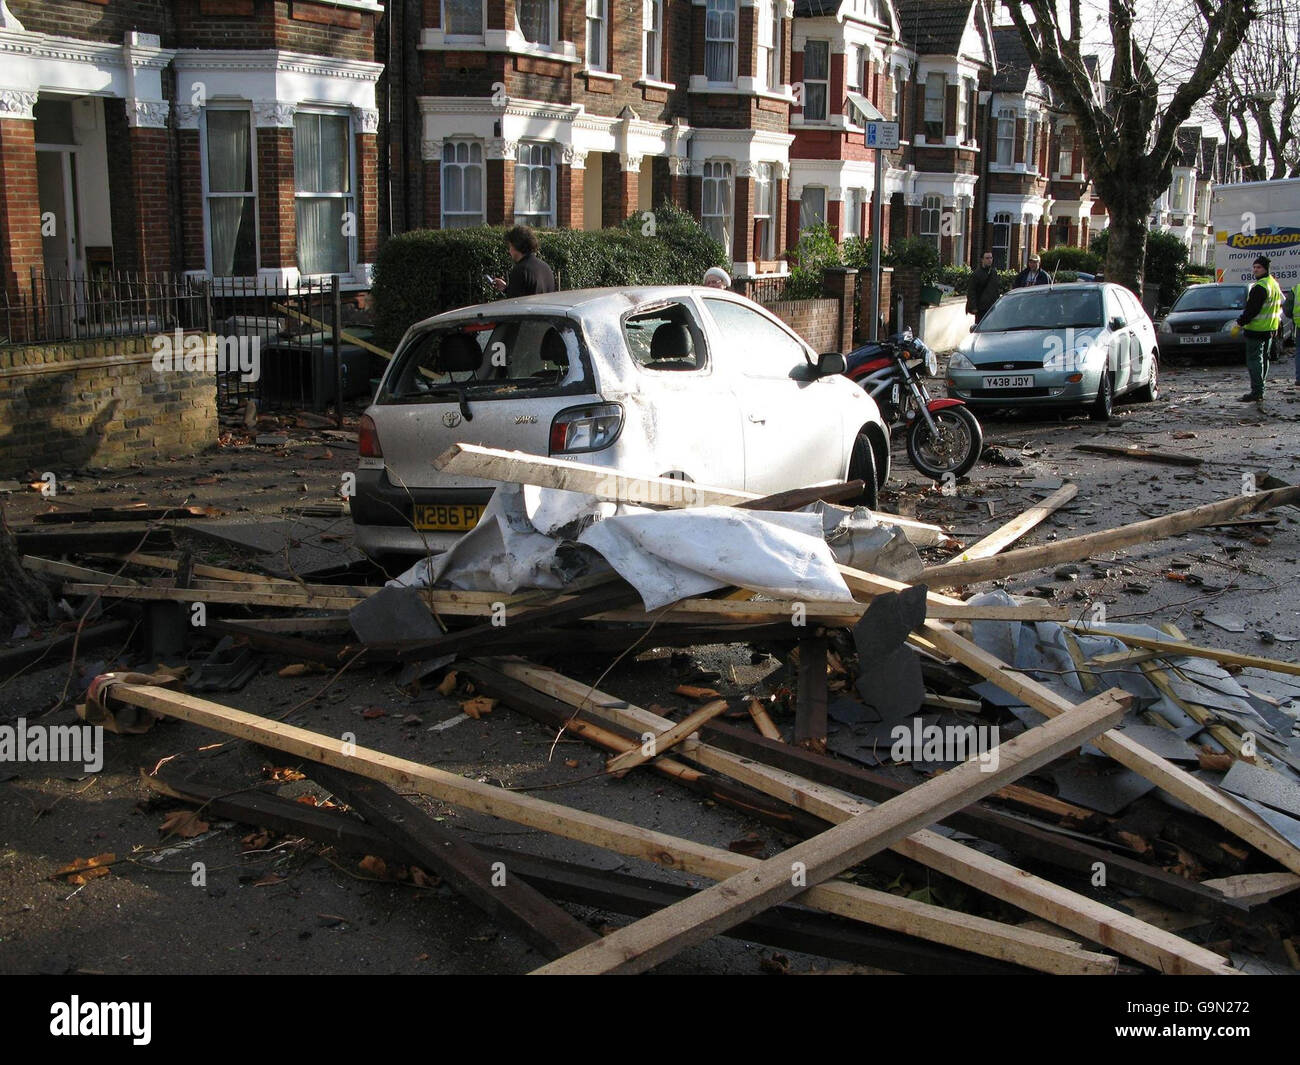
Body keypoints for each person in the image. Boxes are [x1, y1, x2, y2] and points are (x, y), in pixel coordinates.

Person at [1234, 254, 1283, 406]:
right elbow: (1282, 301)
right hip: (1270, 328)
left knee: (1254, 360)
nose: (1255, 270)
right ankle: (1260, 389)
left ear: (1265, 269)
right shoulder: (1273, 283)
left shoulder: (1260, 286)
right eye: (1254, 267)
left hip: (1256, 329)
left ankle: (1257, 391)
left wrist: (1239, 323)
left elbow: (1252, 310)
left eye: (1258, 267)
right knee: (1264, 358)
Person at [490, 226, 556, 297]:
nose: (509, 251)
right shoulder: (546, 267)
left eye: (510, 246)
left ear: (515, 246)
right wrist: (507, 289)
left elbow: (515, 302)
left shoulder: (520, 270)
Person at [966, 250, 1001, 323]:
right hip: (981, 309)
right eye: (987, 258)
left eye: (991, 258)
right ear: (982, 259)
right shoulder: (977, 274)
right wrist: (974, 307)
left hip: (992, 307)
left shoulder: (994, 272)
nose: (989, 260)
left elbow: (996, 289)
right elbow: (971, 291)